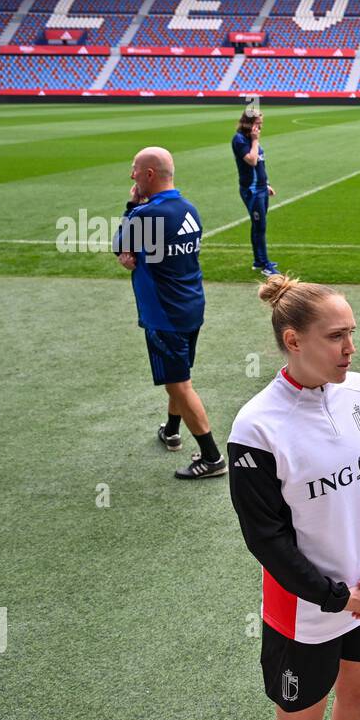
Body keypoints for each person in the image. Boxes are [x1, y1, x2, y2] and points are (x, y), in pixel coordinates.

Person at [228, 275, 360, 720]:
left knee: (359, 694)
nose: (350, 348)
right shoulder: (257, 427)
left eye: (352, 333)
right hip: (303, 613)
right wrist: (330, 595)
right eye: (335, 336)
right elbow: (266, 537)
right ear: (294, 341)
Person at [114, 146, 226, 478]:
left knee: (179, 384)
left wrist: (132, 206)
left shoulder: (146, 214)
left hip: (164, 314)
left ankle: (212, 457)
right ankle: (172, 431)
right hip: (191, 305)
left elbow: (121, 246)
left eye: (135, 169)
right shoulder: (187, 208)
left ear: (149, 174)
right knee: (177, 377)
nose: (131, 175)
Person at [232, 108, 279, 276]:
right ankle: (265, 265)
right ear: (249, 123)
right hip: (251, 191)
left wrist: (266, 184)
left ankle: (259, 260)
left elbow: (260, 165)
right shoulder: (239, 140)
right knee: (260, 226)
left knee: (258, 225)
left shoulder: (251, 139)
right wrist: (254, 141)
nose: (260, 127)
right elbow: (251, 161)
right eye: (258, 124)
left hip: (260, 188)